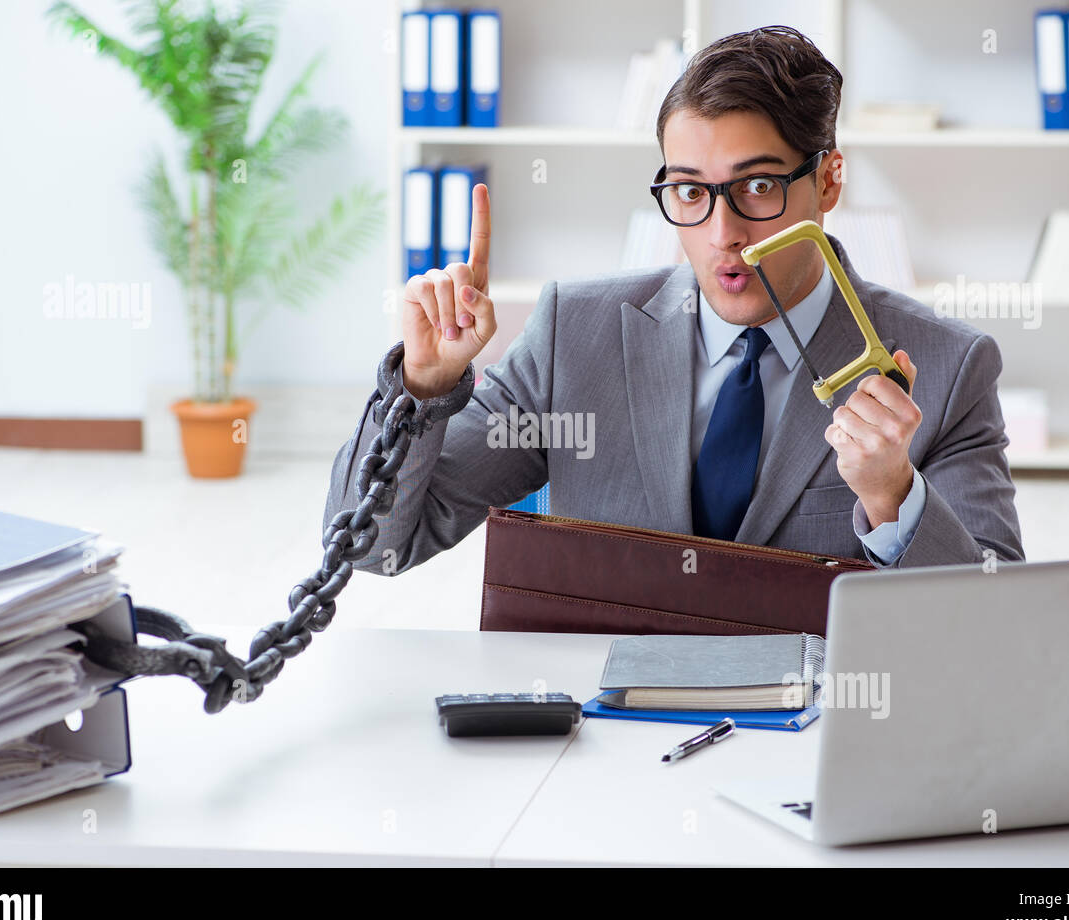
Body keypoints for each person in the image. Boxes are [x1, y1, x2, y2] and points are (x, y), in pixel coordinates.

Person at [326, 25, 1023, 574]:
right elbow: (373, 545)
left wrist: (893, 497)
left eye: (757, 187)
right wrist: (422, 385)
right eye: (690, 191)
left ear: (830, 182)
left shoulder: (950, 366)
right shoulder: (577, 334)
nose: (724, 234)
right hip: (613, 743)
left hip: (818, 738)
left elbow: (994, 628)